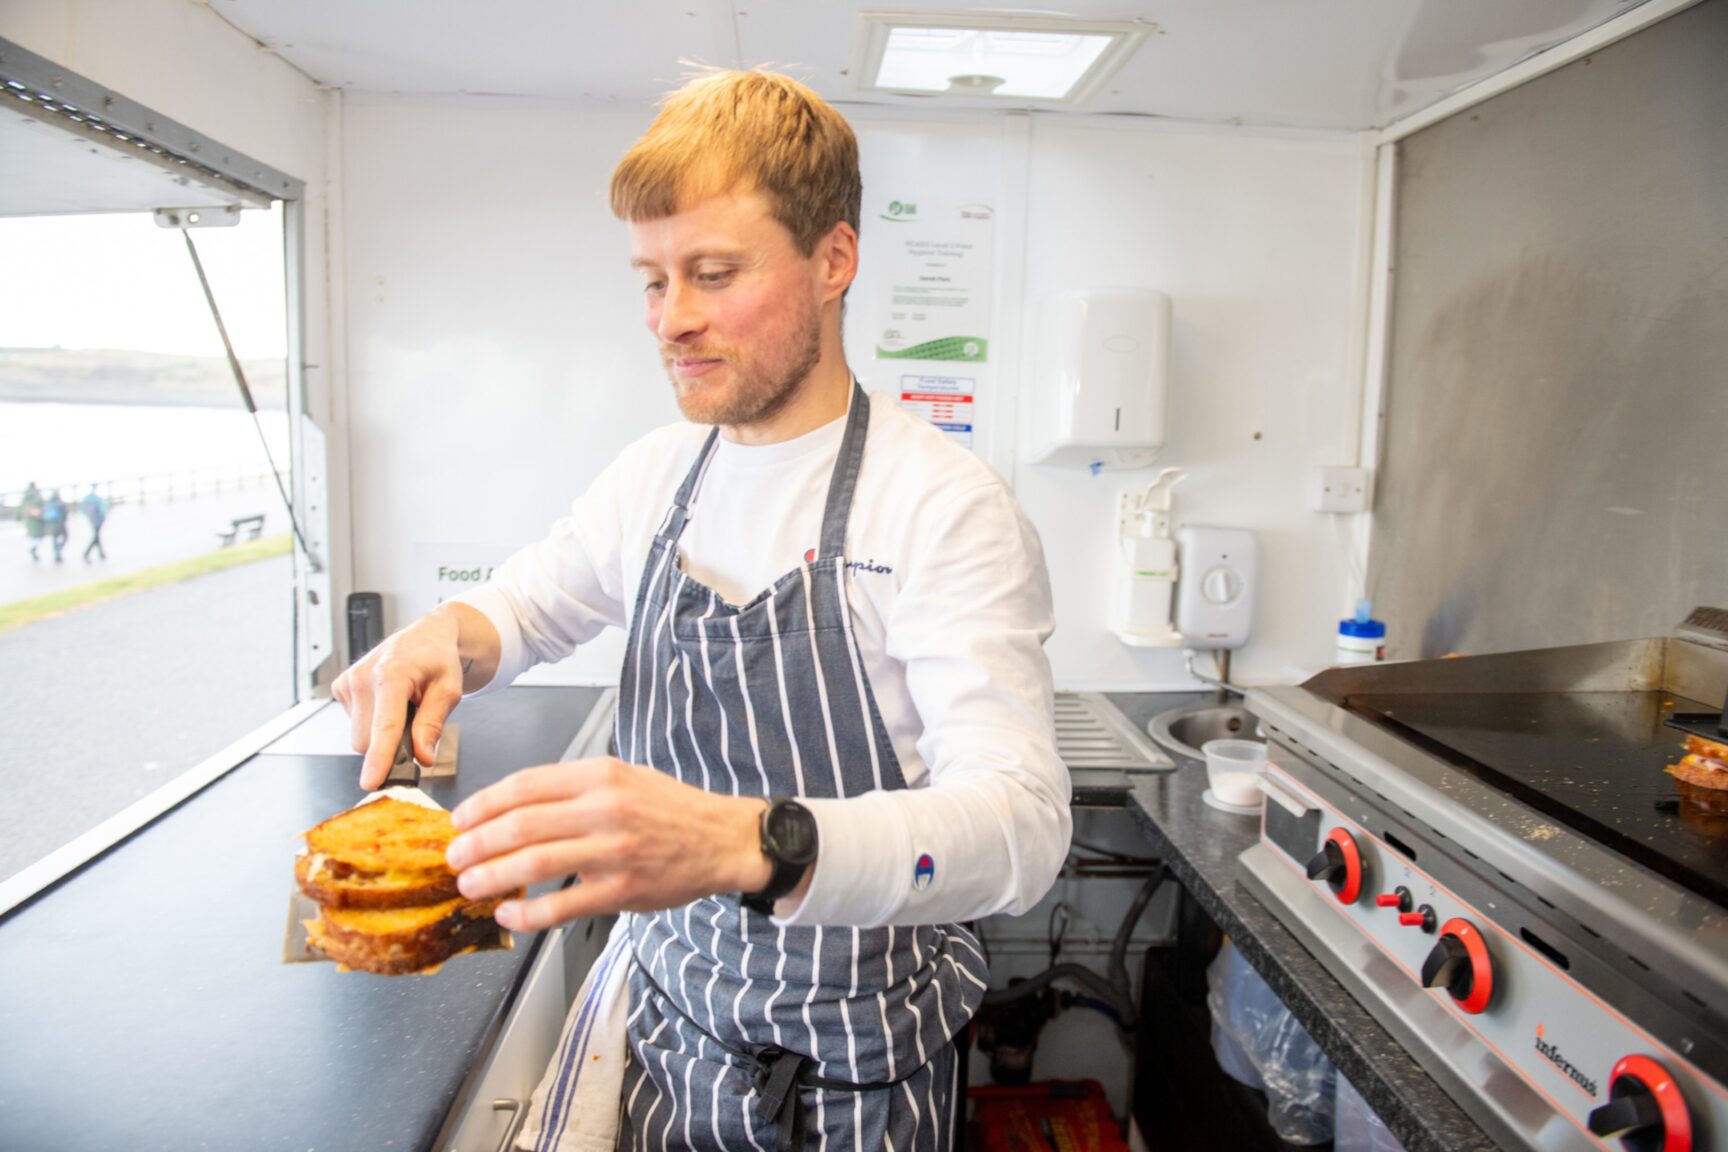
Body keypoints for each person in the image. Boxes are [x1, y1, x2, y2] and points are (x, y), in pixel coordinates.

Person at [334, 69, 1069, 1150]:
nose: (672, 320)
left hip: (857, 1073)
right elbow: (529, 604)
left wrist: (750, 842)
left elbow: (1019, 828)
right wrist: (447, 634)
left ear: (834, 260)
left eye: (714, 274)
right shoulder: (658, 476)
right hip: (675, 1041)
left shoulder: (941, 507)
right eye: (651, 280)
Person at [80, 486, 109, 562]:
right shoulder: (97, 499)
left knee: (97, 536)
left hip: (91, 520)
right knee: (96, 537)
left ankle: (101, 553)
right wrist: (103, 519)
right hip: (98, 520)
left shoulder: (86, 499)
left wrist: (89, 517)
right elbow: (102, 511)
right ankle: (86, 553)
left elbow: (81, 510)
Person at [42, 488, 69, 563]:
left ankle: (56, 553)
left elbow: (44, 514)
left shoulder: (48, 503)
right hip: (60, 524)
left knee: (54, 539)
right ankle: (59, 550)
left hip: (51, 525)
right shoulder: (60, 503)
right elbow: (65, 513)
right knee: (66, 536)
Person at [21, 482, 45, 561]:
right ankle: (33, 549)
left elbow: (22, 509)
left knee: (33, 536)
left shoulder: (25, 496)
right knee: (39, 536)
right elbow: (41, 507)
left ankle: (33, 549)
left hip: (28, 520)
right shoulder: (37, 495)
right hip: (37, 520)